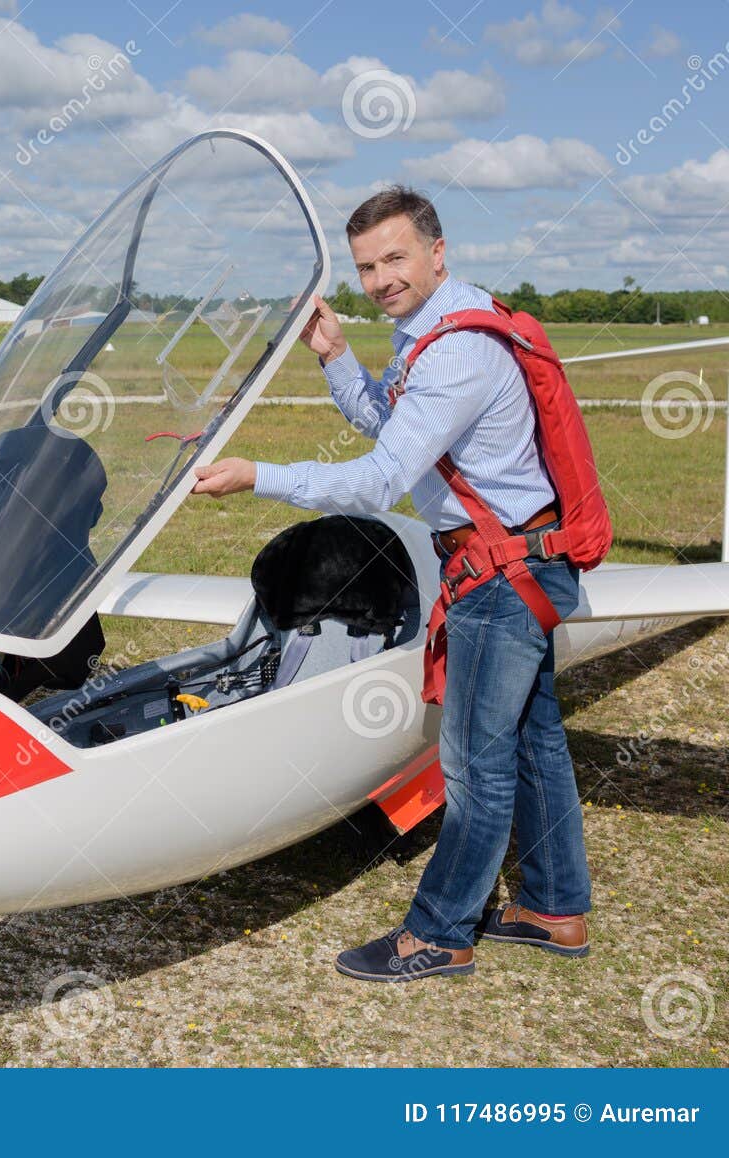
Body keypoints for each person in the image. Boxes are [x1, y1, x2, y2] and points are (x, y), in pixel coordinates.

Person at [189, 186, 592, 982]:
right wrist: (337, 355)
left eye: (395, 258)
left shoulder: (454, 350)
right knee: (533, 741)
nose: (380, 279)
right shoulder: (436, 330)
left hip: (502, 575)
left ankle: (439, 933)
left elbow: (378, 481)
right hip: (522, 559)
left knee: (477, 765)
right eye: (368, 266)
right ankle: (554, 907)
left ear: (437, 252)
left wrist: (255, 475)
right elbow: (395, 429)